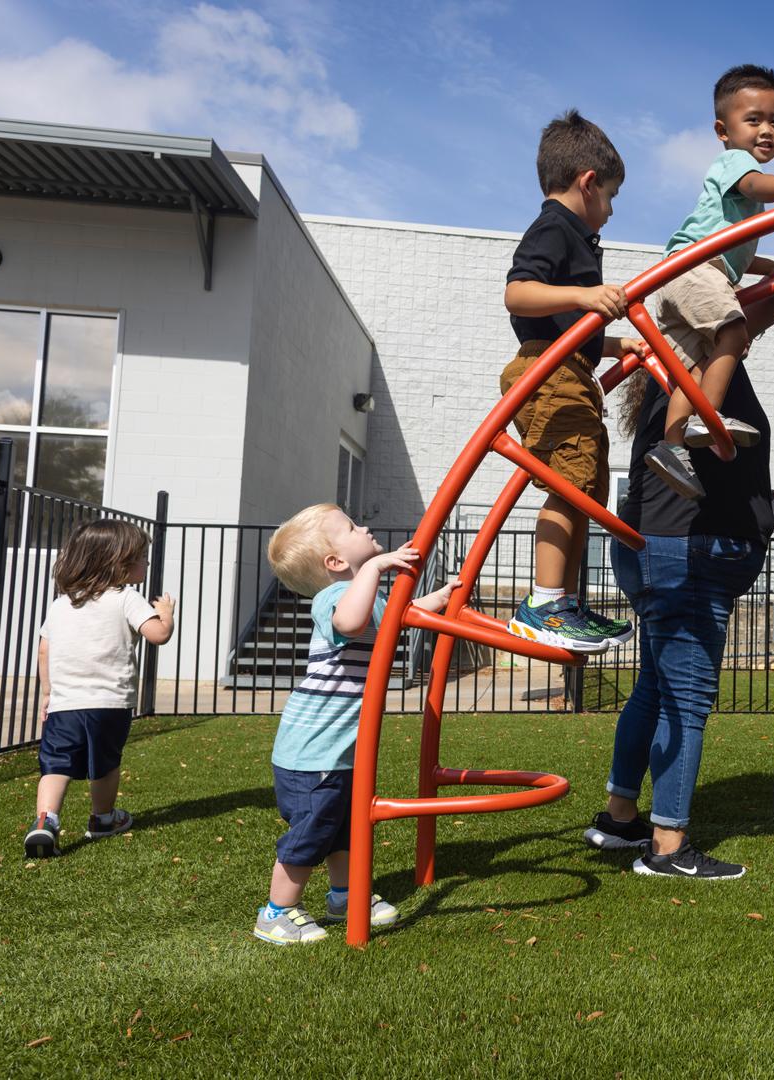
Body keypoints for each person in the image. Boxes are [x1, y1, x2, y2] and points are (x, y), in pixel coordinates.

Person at [583, 359, 774, 880]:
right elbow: (749, 319)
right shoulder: (700, 363)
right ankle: (667, 847)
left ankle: (620, 818)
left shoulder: (671, 379)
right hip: (686, 550)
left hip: (661, 546)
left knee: (655, 688)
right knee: (686, 699)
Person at [254, 504, 459, 944]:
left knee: (344, 829)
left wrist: (440, 597)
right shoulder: (334, 597)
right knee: (311, 832)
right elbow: (350, 621)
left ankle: (345, 895)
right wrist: (377, 567)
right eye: (351, 527)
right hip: (312, 753)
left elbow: (400, 616)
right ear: (335, 562)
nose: (363, 526)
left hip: (338, 751)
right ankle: (276, 912)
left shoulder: (365, 597)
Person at [643, 63, 774, 500]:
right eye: (753, 120)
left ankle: (672, 446)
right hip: (694, 271)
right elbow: (754, 186)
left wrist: (769, 267)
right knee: (735, 330)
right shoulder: (737, 164)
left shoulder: (743, 198)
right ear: (723, 130)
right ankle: (706, 418)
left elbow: (733, 250)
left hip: (690, 274)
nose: (766, 130)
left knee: (696, 369)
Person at [500, 110, 646, 654]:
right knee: (569, 483)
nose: (610, 211)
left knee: (585, 488)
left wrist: (613, 343)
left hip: (569, 369)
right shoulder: (556, 228)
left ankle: (564, 601)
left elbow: (564, 328)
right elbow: (518, 294)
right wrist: (586, 295)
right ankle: (543, 603)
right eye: (610, 196)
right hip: (548, 373)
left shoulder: (577, 238)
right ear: (588, 183)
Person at [22, 520, 174, 859]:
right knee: (104, 764)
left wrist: (48, 693)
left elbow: (44, 650)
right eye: (142, 556)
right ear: (118, 562)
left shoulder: (62, 604)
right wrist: (166, 614)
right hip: (109, 703)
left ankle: (45, 821)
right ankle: (103, 819)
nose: (147, 562)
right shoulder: (126, 598)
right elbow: (159, 635)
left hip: (64, 703)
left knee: (56, 764)